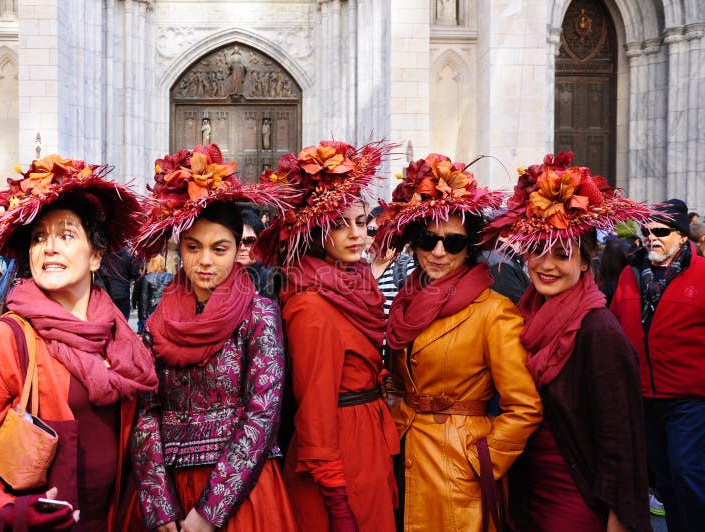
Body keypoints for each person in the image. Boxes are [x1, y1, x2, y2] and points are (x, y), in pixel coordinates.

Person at [0, 154, 158, 531]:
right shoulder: (7, 338)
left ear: (96, 256)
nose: (48, 248)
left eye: (66, 235)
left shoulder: (120, 336)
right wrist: (10, 512)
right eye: (39, 237)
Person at [371, 153, 542, 531]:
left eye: (453, 243)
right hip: (403, 455)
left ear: (469, 248)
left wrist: (481, 460)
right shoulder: (405, 302)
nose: (438, 252)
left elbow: (524, 406)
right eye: (428, 239)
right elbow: (401, 380)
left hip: (459, 468)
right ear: (413, 243)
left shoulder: (493, 311)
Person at [130, 143, 296, 531]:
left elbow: (263, 414)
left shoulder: (259, 314)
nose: (205, 261)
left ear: (238, 249)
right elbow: (145, 412)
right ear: (180, 249)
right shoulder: (158, 321)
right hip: (172, 490)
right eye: (193, 247)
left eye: (219, 249)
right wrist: (159, 506)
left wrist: (209, 511)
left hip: (242, 496)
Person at [488, 153, 652, 532]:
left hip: (576, 499)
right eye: (537, 251)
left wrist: (619, 522)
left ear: (585, 261)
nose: (546, 265)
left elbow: (621, 442)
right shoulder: (521, 315)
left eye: (562, 254)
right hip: (526, 494)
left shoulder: (599, 330)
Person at [255, 140, 400, 532]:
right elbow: (315, 411)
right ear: (316, 232)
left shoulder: (356, 282)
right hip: (340, 456)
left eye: (361, 222)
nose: (356, 234)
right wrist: (337, 501)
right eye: (339, 224)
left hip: (366, 439)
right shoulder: (311, 305)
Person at [610, 198, 705, 532]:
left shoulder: (702, 273)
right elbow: (615, 327)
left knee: (686, 472)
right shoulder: (629, 273)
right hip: (644, 397)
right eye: (647, 231)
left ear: (681, 235)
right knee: (663, 478)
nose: (651, 237)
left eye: (661, 231)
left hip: (689, 399)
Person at [237, 208, 275, 299]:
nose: (242, 248)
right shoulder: (221, 275)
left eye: (249, 241)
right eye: (237, 241)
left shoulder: (269, 277)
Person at [135, 254, 173, 329]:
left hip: (152, 307)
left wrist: (144, 314)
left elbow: (144, 297)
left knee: (152, 329)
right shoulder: (170, 276)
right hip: (166, 308)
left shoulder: (147, 278)